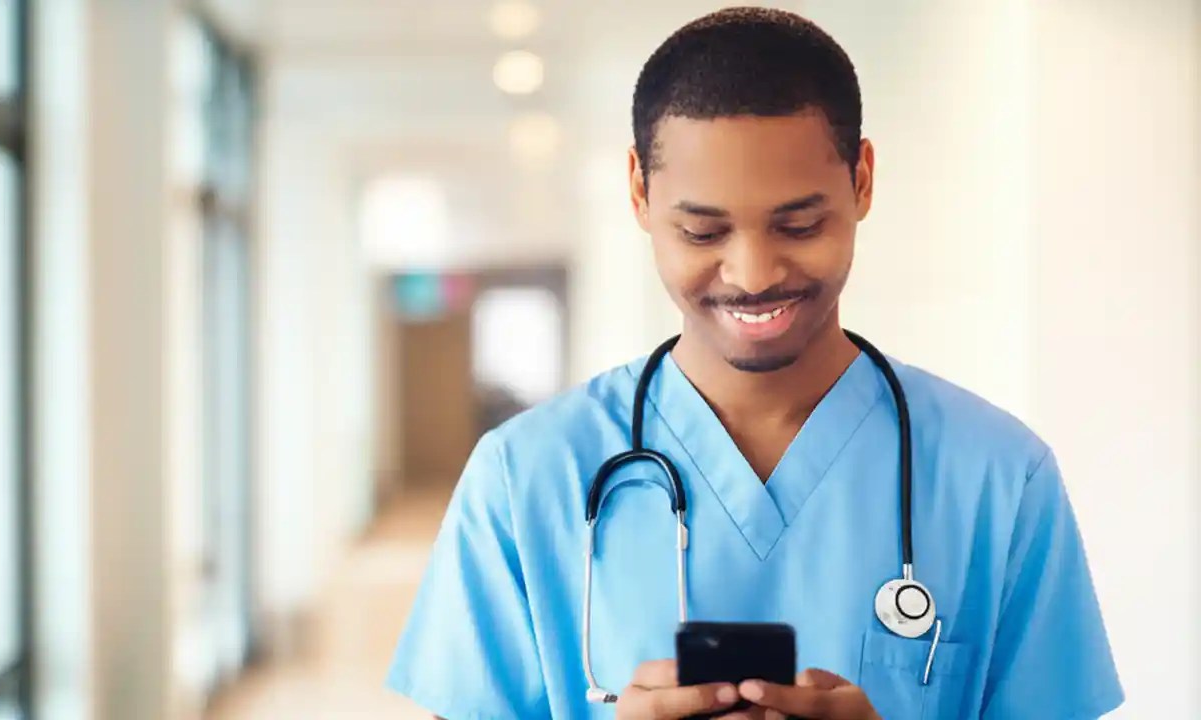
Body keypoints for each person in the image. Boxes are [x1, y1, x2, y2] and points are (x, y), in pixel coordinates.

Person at [386, 7, 1123, 719]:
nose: (753, 273)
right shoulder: (525, 479)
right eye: (702, 232)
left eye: (799, 224)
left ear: (862, 181)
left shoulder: (999, 478)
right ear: (640, 191)